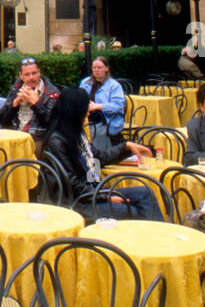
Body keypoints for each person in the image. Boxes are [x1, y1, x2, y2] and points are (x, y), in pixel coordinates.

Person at [43, 87, 161, 219]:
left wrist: (127, 146)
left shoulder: (76, 133)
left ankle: (157, 231)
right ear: (75, 111)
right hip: (79, 202)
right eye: (86, 108)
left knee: (145, 193)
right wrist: (105, 197)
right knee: (133, 210)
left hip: (94, 191)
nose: (88, 113)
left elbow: (99, 157)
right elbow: (72, 184)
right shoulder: (57, 141)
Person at [0, 58, 60, 138]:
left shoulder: (52, 93)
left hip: (38, 138)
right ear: (21, 76)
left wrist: (36, 104)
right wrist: (14, 105)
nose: (31, 77)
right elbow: (3, 122)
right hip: (16, 136)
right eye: (27, 74)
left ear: (39, 72)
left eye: (34, 73)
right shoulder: (16, 89)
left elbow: (52, 124)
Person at [79, 55, 126, 137]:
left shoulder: (114, 85)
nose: (96, 70)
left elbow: (118, 106)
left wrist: (98, 106)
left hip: (107, 120)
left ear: (106, 68)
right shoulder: (85, 83)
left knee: (96, 129)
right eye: (94, 68)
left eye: (99, 67)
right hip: (87, 118)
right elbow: (79, 99)